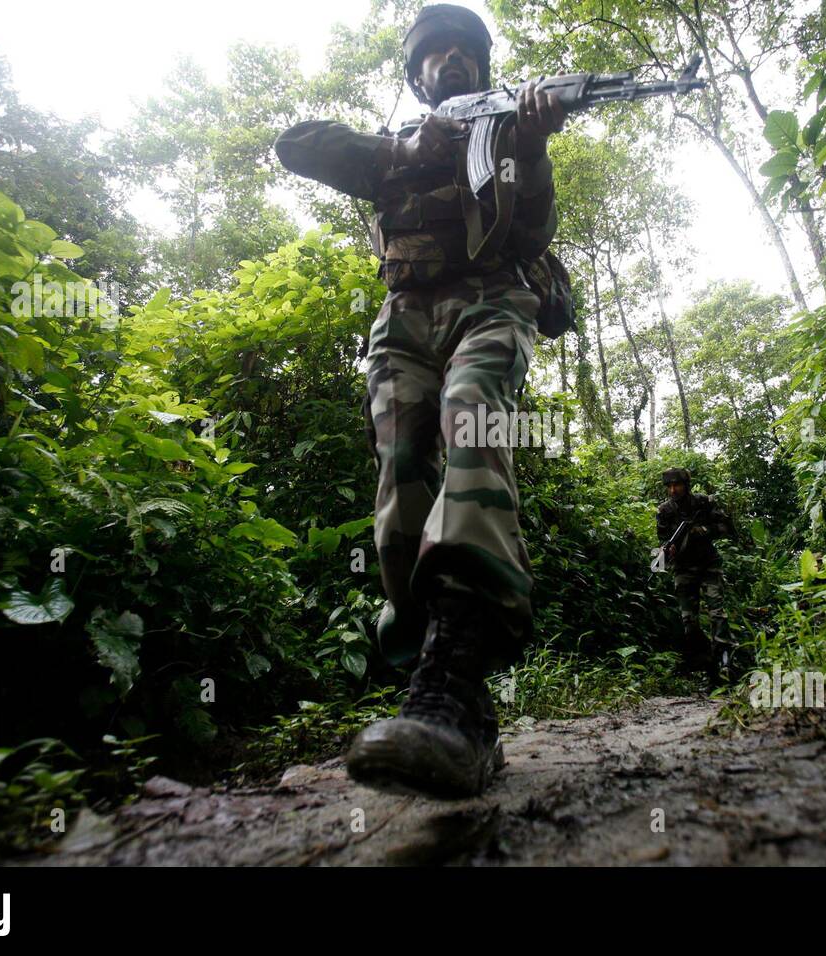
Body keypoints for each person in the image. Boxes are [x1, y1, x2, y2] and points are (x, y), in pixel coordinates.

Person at [274, 3, 565, 798]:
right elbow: (293, 144)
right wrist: (406, 144)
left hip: (491, 303)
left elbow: (532, 237)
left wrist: (532, 147)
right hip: (403, 317)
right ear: (416, 75)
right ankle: (440, 672)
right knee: (401, 472)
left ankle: (455, 679)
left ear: (482, 65)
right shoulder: (388, 153)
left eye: (464, 52)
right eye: (433, 55)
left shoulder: (507, 136)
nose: (451, 62)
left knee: (473, 415)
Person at [656, 467, 736, 675]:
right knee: (688, 620)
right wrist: (669, 549)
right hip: (683, 568)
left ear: (686, 485)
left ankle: (724, 659)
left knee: (717, 612)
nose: (673, 490)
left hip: (709, 565)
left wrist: (704, 531)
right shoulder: (664, 510)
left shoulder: (703, 503)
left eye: (677, 485)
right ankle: (702, 661)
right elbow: (663, 538)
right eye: (670, 486)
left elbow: (726, 526)